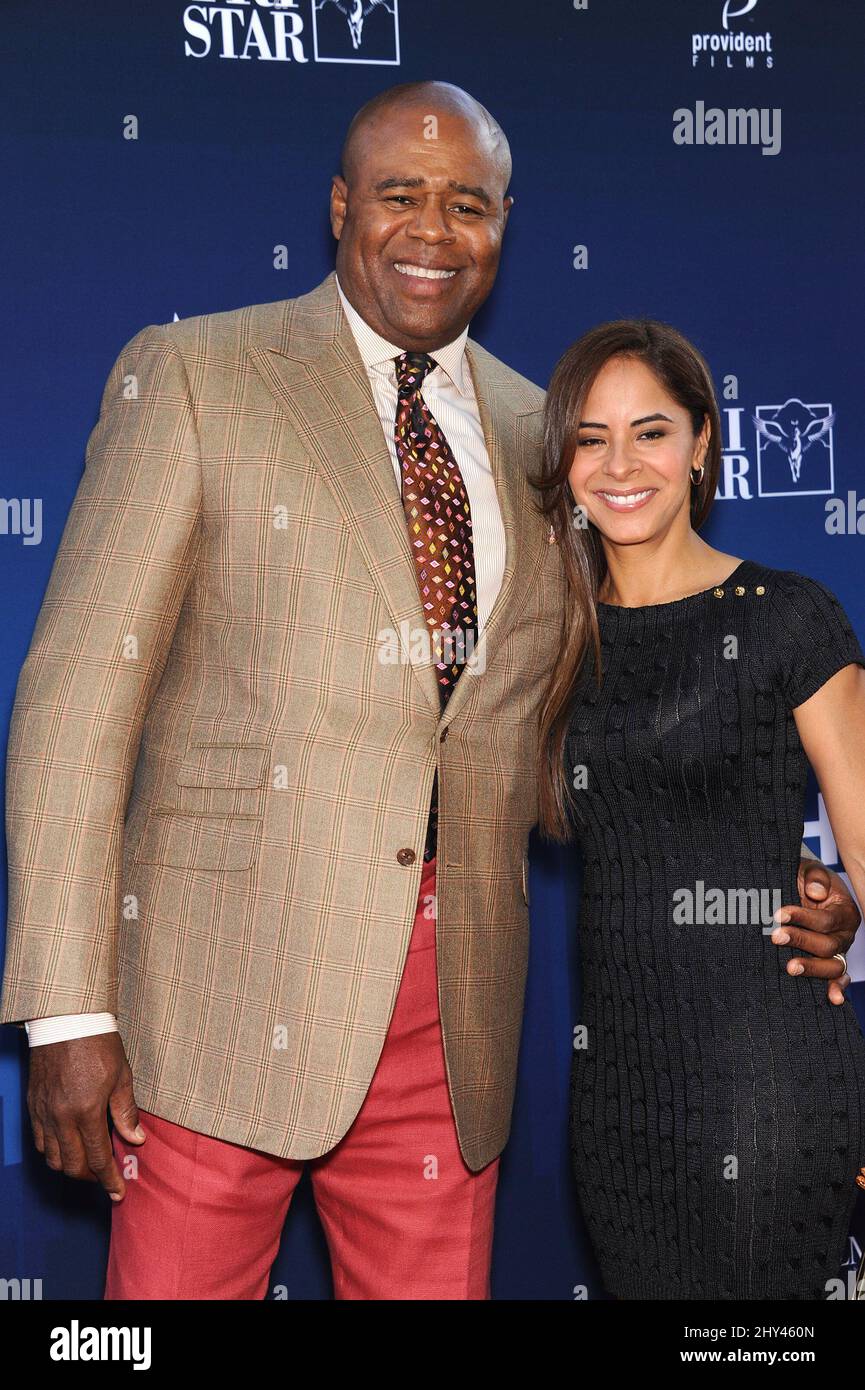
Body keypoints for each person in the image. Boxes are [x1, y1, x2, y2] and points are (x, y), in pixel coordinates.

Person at [0, 84, 858, 1302]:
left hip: (455, 1014)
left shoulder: (539, 434)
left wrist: (797, 888)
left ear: (504, 223)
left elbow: (586, 733)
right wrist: (65, 1010)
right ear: (339, 206)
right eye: (400, 194)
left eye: (469, 203)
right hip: (216, 1003)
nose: (432, 230)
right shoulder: (195, 374)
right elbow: (77, 696)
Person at [533, 317, 865, 1299]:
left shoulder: (785, 616)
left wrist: (840, 907)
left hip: (765, 1078)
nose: (619, 464)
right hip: (617, 1093)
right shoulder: (552, 640)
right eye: (590, 438)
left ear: (701, 444)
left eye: (651, 431)